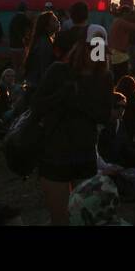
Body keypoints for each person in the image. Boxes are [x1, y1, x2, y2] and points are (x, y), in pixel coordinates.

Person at [28, 34, 113, 224]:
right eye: (93, 47)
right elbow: (36, 105)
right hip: (55, 153)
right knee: (61, 218)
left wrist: (77, 99)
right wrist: (63, 95)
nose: (98, 53)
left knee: (82, 217)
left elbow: (104, 116)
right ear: (82, 48)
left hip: (84, 154)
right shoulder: (59, 70)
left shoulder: (104, 77)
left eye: (102, 49)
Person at [22, 11, 59, 90]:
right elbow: (44, 66)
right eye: (54, 20)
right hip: (38, 86)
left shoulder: (42, 40)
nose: (58, 22)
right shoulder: (43, 42)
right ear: (46, 26)